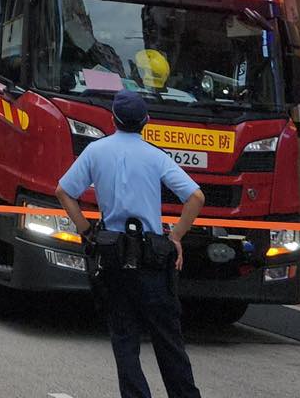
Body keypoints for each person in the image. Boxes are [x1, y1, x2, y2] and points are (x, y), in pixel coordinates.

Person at [56, 91, 205, 398]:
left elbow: (64, 191)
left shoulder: (95, 151)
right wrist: (175, 236)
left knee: (125, 341)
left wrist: (86, 230)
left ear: (113, 120)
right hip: (153, 260)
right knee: (169, 342)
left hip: (113, 258)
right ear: (145, 122)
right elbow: (196, 197)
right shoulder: (156, 156)